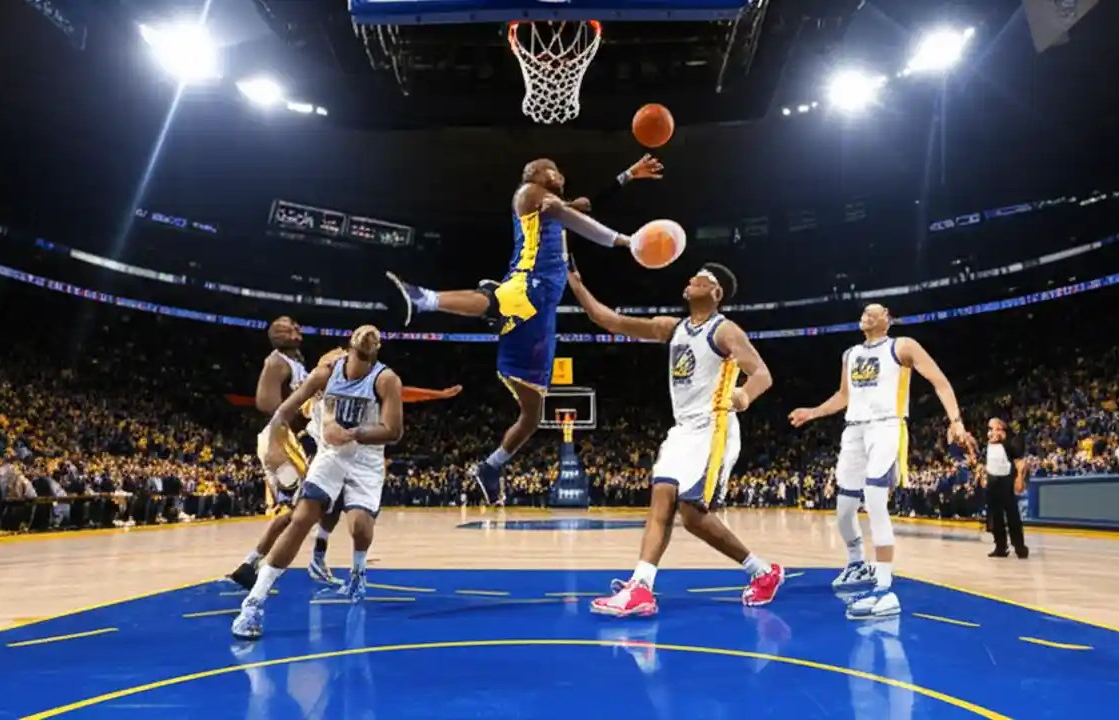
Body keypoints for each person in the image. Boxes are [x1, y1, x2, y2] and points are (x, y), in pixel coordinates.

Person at [384, 155, 662, 505]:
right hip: (530, 280)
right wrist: (626, 240)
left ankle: (491, 466)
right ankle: (423, 298)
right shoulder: (530, 193)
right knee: (496, 300)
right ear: (533, 174)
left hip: (544, 309)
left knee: (533, 413)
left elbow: (586, 207)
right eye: (552, 169)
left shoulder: (556, 207)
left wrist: (627, 175)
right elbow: (576, 219)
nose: (559, 174)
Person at [567, 263, 784, 616]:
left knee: (692, 515)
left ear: (716, 292)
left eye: (701, 278)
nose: (691, 280)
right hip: (682, 430)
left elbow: (761, 373)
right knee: (661, 502)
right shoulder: (672, 327)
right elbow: (610, 320)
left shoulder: (724, 330)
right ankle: (641, 587)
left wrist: (744, 395)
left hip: (713, 427)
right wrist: (576, 284)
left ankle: (762, 572)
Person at [230, 318, 463, 589]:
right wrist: (294, 412)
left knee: (321, 504)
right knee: (297, 511)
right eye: (339, 356)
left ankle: (267, 563)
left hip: (304, 443)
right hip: (285, 443)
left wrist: (435, 395)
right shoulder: (302, 369)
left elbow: (394, 393)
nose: (343, 359)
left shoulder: (332, 380)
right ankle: (262, 565)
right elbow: (268, 404)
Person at [789, 303, 976, 620]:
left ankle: (884, 588)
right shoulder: (850, 354)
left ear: (887, 319)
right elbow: (844, 396)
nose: (866, 314)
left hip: (887, 426)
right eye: (863, 311)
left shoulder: (902, 346)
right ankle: (857, 564)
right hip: (854, 431)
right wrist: (813, 412)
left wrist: (956, 421)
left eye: (873, 311)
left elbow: (941, 382)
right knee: (844, 510)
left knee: (875, 501)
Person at [232, 325, 403, 640]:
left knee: (360, 527)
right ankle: (253, 602)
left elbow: (393, 431)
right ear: (349, 348)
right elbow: (285, 409)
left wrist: (351, 433)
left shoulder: (386, 379)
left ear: (375, 352)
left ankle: (357, 574)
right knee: (300, 519)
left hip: (365, 459)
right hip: (331, 455)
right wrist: (273, 441)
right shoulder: (326, 373)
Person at [977, 417, 1029, 558]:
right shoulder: (987, 444)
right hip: (992, 482)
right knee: (995, 516)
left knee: (1013, 516)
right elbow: (984, 460)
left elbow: (1018, 454)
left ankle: (1019, 547)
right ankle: (1000, 547)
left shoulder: (1010, 441)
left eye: (993, 428)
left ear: (1001, 428)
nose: (990, 431)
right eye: (989, 429)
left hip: (1006, 481)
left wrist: (1005, 439)